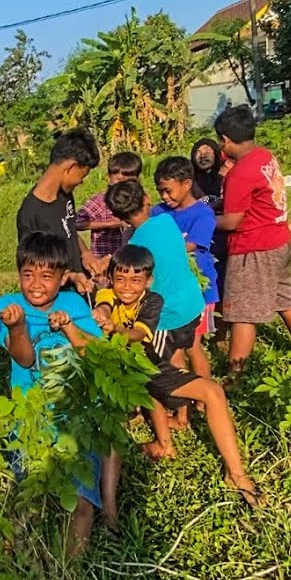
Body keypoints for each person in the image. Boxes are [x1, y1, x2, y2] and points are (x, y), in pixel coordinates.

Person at [90, 248, 261, 507]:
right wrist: (101, 313)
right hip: (118, 372)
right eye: (120, 279)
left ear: (148, 281)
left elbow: (137, 333)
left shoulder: (153, 301)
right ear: (111, 278)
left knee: (213, 391)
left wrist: (115, 328)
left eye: (136, 281)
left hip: (149, 367)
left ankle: (235, 473)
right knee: (117, 420)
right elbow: (104, 304)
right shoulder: (107, 294)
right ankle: (156, 453)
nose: (126, 287)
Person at [0, 232, 103, 557]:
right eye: (28, 275)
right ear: (18, 275)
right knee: (26, 496)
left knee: (82, 500)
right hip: (31, 421)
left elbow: (95, 353)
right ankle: (14, 560)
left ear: (63, 277)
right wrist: (16, 327)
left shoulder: (73, 303)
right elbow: (24, 358)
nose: (36, 284)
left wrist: (70, 327)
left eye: (46, 276)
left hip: (76, 419)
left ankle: (72, 575)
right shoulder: (7, 307)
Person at [213, 106, 291, 378]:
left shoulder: (239, 173)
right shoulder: (265, 156)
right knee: (287, 299)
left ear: (225, 141)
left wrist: (205, 220)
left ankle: (234, 376)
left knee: (243, 314)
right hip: (280, 240)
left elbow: (232, 222)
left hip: (254, 249)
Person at [103, 178, 205, 441]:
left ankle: (164, 438)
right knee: (190, 351)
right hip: (193, 303)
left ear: (117, 216)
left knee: (154, 372)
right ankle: (188, 415)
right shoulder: (167, 222)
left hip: (167, 315)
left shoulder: (134, 247)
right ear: (147, 198)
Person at [151, 157, 220, 381]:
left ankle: (206, 398)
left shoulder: (202, 214)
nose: (164, 197)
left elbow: (191, 245)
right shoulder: (158, 213)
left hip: (198, 292)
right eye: (160, 191)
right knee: (174, 347)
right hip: (169, 291)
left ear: (187, 184)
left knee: (192, 345)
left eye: (168, 191)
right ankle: (181, 399)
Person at [16, 128, 104, 294]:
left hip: (80, 287)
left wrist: (85, 254)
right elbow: (35, 266)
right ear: (71, 167)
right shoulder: (29, 214)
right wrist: (71, 276)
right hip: (60, 296)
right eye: (82, 176)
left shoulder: (65, 195)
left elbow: (69, 229)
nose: (81, 182)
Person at [76, 152, 142, 287]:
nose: (123, 187)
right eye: (118, 181)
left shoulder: (140, 201)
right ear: (109, 178)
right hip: (103, 272)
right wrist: (111, 224)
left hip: (131, 271)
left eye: (129, 182)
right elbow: (76, 223)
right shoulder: (99, 201)